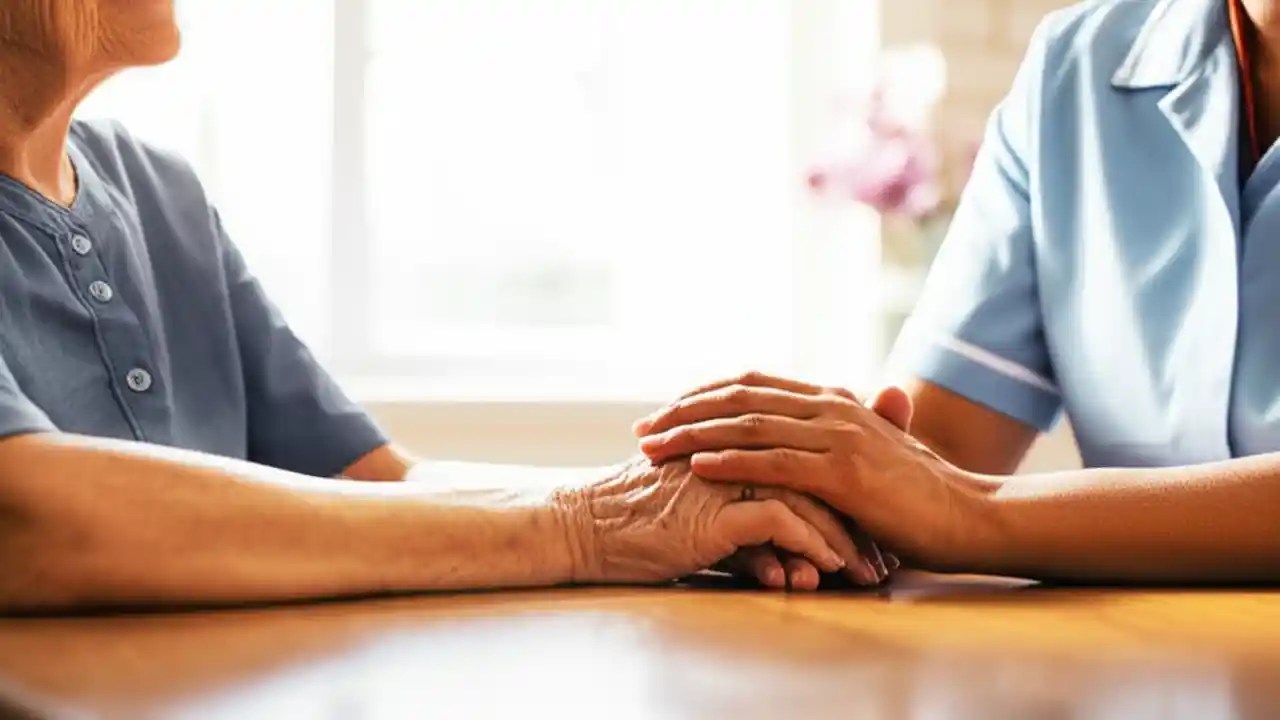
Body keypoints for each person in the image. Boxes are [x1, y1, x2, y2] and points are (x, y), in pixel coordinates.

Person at [0, 1, 905, 612]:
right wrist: (587, 528)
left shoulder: (159, 193)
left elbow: (381, 482)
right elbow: (33, 517)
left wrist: (702, 506)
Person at [634, 0, 1280, 583]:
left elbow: (943, 499)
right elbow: (937, 442)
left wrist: (975, 514)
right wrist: (797, 513)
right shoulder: (1077, 65)